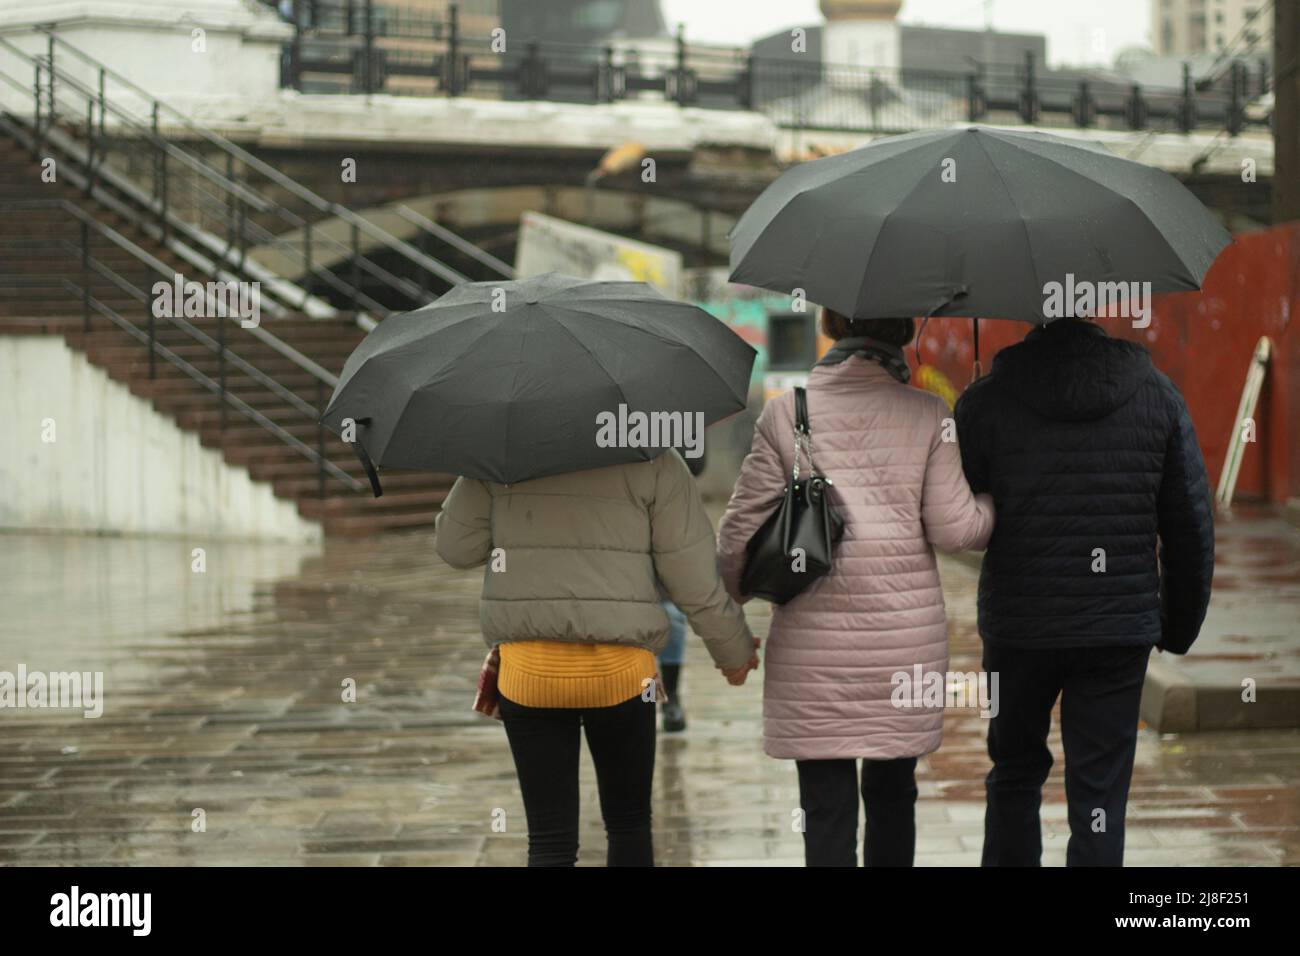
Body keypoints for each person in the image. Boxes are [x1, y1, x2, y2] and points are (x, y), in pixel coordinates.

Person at [717, 310, 994, 867]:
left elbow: (736, 541)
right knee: (894, 797)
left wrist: (737, 599)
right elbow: (956, 529)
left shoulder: (786, 414)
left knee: (825, 808)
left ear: (832, 324)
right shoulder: (929, 413)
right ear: (903, 331)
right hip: (902, 648)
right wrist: (991, 504)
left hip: (814, 652)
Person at [954, 316, 1214, 867]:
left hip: (1019, 630)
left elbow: (965, 519)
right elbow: (1191, 523)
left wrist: (971, 419)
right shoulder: (1157, 396)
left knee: (1015, 774)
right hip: (1116, 632)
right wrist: (1177, 624)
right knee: (1099, 795)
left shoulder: (987, 401)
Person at [434, 451, 758, 867]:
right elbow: (691, 576)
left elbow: (455, 548)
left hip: (530, 672)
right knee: (629, 824)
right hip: (623, 674)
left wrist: (482, 475)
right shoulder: (654, 457)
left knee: (549, 841)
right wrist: (733, 651)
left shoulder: (502, 453)